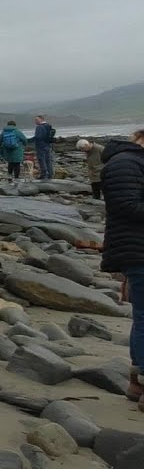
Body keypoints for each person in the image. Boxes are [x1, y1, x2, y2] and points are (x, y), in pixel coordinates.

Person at [100, 128, 144, 413]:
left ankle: (136, 382)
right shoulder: (124, 162)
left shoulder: (131, 161)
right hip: (138, 249)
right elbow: (126, 205)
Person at [33, 116, 57, 180]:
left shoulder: (39, 127)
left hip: (40, 146)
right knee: (48, 160)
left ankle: (44, 175)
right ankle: (50, 174)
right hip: (48, 145)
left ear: (41, 119)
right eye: (35, 120)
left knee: (41, 160)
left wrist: (29, 141)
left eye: (36, 120)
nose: (35, 121)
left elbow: (38, 137)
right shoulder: (48, 125)